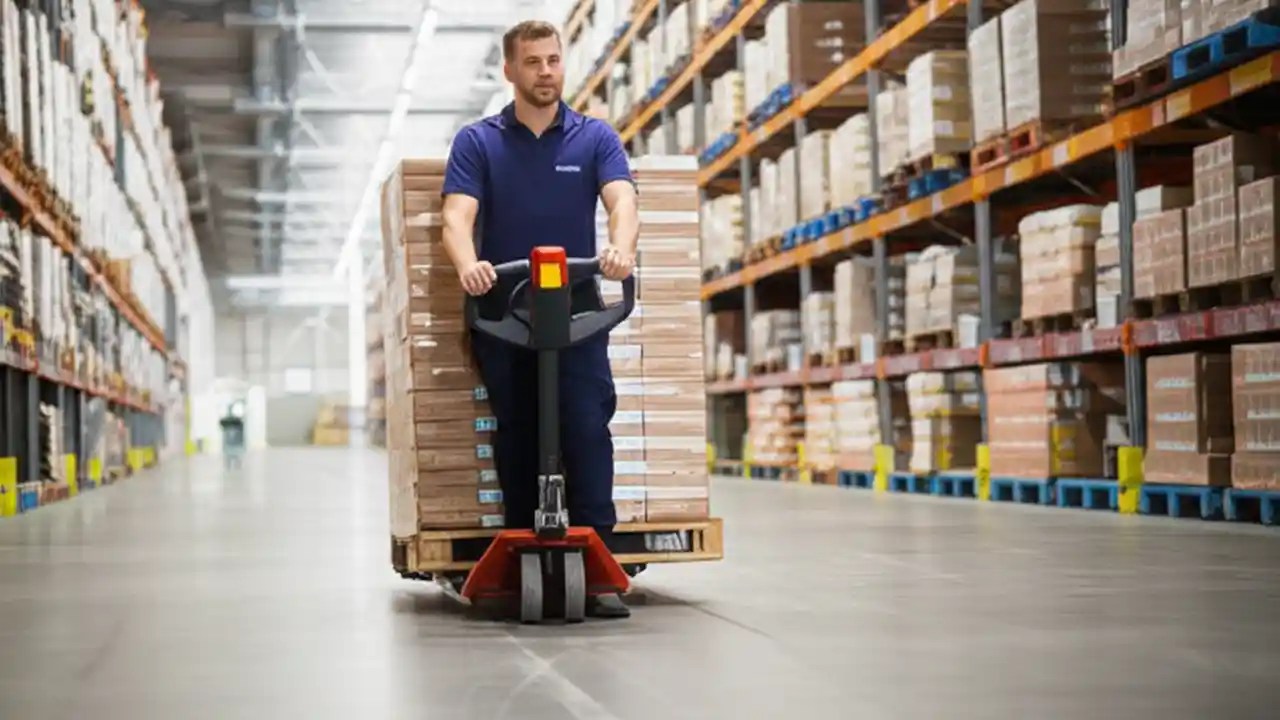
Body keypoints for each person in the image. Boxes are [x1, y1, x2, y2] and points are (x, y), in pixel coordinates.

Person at [440, 20, 640, 618]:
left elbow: (622, 199)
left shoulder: (594, 138)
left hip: (575, 311)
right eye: (533, 62)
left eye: (553, 60)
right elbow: (456, 216)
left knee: (584, 424)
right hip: (506, 309)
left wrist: (620, 248)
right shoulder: (478, 142)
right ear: (510, 70)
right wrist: (468, 264)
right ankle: (520, 557)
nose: (546, 71)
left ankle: (600, 567)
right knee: (519, 429)